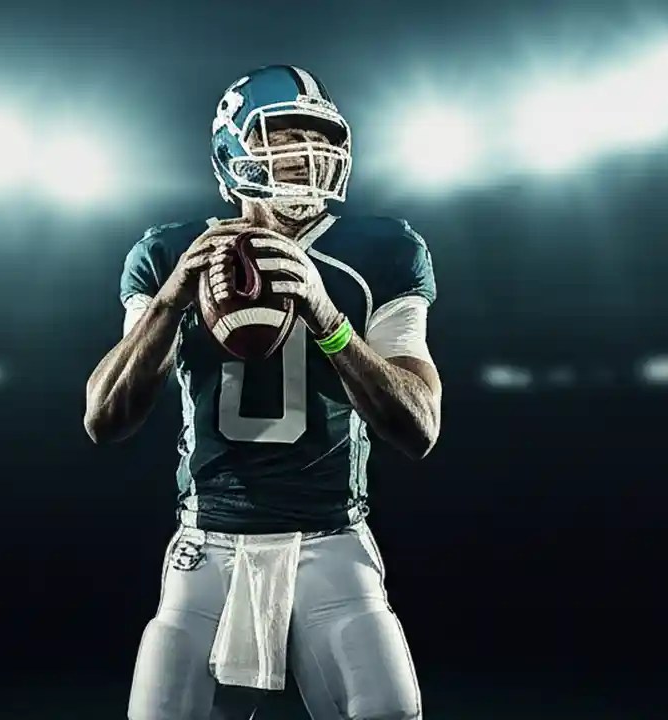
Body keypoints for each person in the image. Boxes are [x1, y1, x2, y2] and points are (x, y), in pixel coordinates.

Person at [83, 64, 441, 720]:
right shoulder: (169, 252)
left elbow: (419, 425)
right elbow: (103, 418)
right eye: (283, 135)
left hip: (332, 541)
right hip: (207, 545)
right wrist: (169, 303)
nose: (310, 155)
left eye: (320, 136)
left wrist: (329, 320)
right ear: (232, 152)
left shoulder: (383, 250)